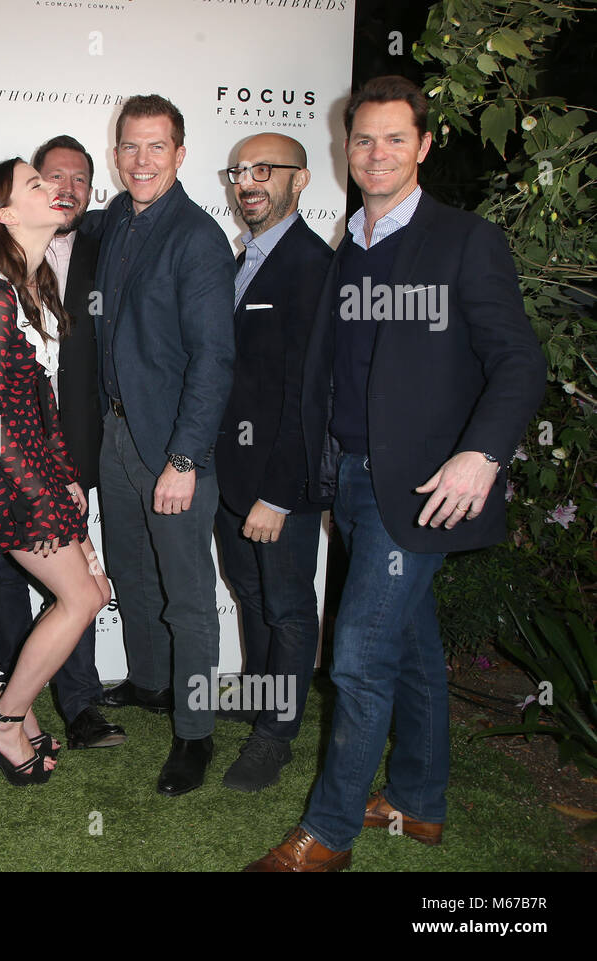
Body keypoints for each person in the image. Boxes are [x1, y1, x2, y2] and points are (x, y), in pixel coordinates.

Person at [247, 76, 545, 871]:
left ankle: (330, 833)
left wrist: (481, 453)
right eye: (363, 139)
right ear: (348, 149)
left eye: (394, 139)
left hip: (419, 485)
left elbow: (517, 361)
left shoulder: (462, 240)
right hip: (347, 476)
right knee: (408, 646)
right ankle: (419, 802)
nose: (376, 154)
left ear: (424, 145)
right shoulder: (350, 244)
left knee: (358, 656)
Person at [95, 95, 236, 795]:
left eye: (156, 147)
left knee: (186, 594)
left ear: (181, 155)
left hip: (173, 442)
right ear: (116, 153)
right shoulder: (120, 216)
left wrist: (185, 459)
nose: (142, 161)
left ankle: (196, 731)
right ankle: (151, 682)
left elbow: (215, 359)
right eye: (130, 147)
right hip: (118, 431)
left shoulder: (198, 238)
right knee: (133, 572)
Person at [0, 158, 111, 784]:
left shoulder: (31, 286)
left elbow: (42, 405)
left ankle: (15, 718)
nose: (55, 190)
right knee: (81, 598)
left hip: (38, 472)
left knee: (90, 594)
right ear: (6, 214)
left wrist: (67, 477)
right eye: (36, 185)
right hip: (7, 480)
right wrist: (38, 493)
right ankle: (2, 720)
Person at [213, 133, 332, 792]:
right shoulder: (246, 258)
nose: (248, 181)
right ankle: (262, 696)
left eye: (265, 170)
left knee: (287, 607)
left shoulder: (312, 265)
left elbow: (308, 397)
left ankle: (276, 736)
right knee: (252, 594)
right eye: (239, 171)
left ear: (301, 180)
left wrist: (280, 495)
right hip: (234, 478)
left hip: (279, 483)